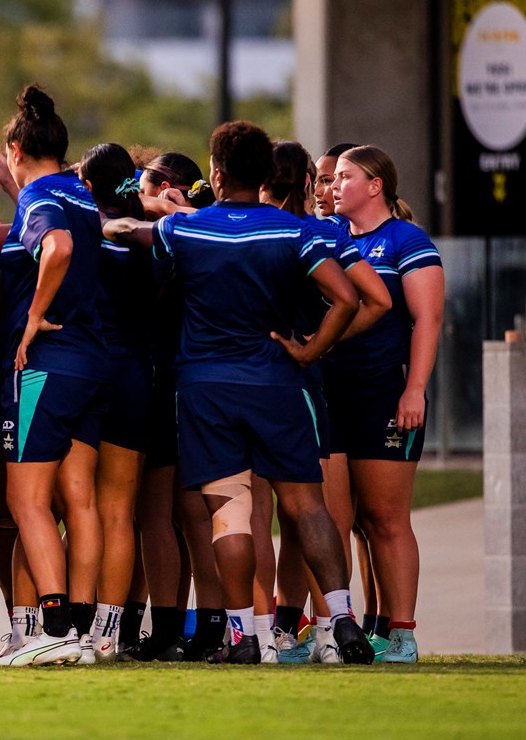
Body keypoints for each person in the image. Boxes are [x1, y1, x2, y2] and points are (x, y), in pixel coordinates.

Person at [105, 120, 373, 665]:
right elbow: (346, 299)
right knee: (307, 506)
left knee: (229, 510)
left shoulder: (190, 231)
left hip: (206, 389)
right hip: (279, 381)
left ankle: (243, 636)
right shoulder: (293, 231)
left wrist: (132, 217)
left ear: (217, 173)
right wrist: (310, 349)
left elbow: (126, 234)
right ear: (266, 175)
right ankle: (342, 620)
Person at [0, 85, 105, 667]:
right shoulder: (80, 196)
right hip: (91, 364)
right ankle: (81, 630)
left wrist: (32, 318)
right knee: (78, 500)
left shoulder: (40, 202)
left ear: (15, 148)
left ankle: (52, 624)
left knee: (26, 499)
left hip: (46, 369)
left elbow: (53, 247)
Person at [257, 140, 392, 663]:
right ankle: (330, 631)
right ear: (307, 182)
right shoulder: (318, 233)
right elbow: (375, 299)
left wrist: (315, 346)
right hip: (303, 387)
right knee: (312, 514)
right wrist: (315, 348)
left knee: (247, 514)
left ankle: (258, 636)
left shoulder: (230, 227)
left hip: (231, 385)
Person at [326, 145, 444, 663]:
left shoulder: (407, 241)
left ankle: (402, 634)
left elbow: (428, 320)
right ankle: (344, 629)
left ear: (376, 185)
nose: (333, 185)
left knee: (385, 518)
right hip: (332, 393)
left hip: (385, 396)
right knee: (340, 520)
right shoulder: (330, 237)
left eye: (345, 177)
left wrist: (414, 388)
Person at [76, 143, 154, 662]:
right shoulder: (150, 237)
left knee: (75, 508)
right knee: (119, 512)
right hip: (135, 376)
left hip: (86, 373)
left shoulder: (83, 232)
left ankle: (71, 627)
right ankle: (110, 634)